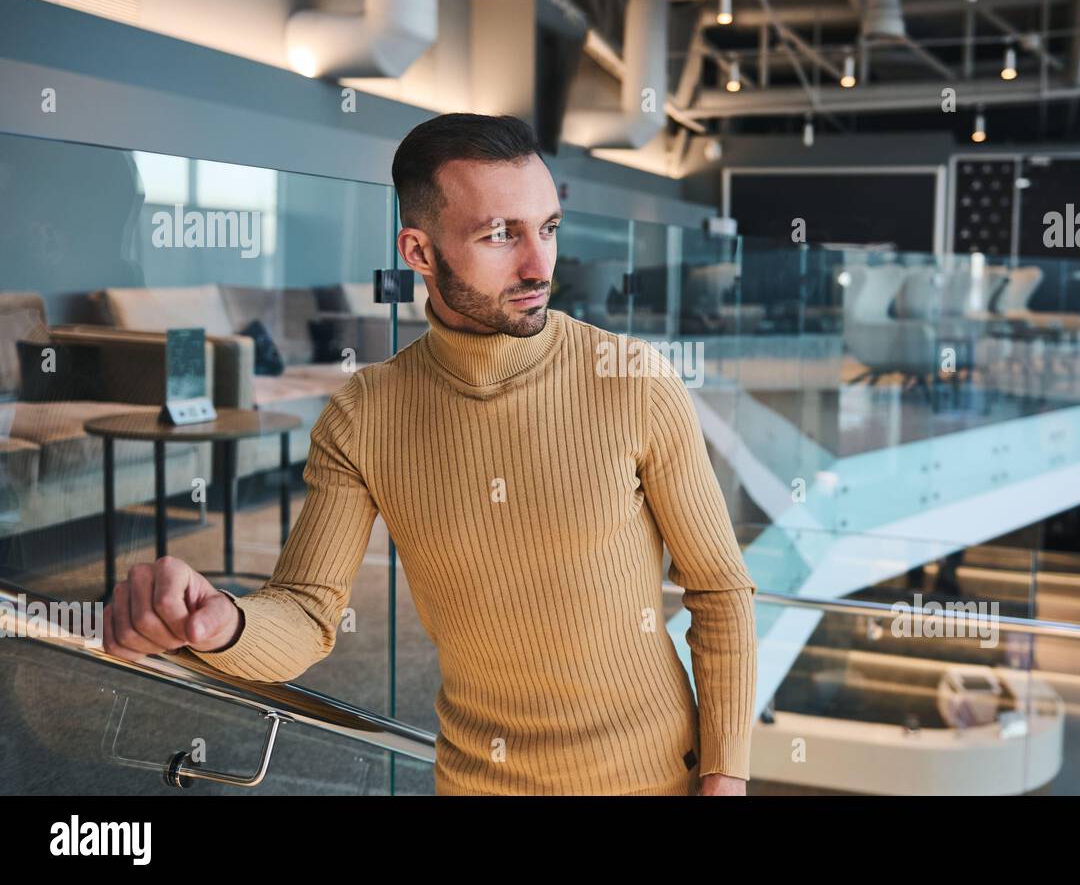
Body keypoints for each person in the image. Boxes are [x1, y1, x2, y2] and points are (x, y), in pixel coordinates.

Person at [100, 113, 758, 796]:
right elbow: (304, 612)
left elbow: (720, 590)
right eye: (500, 234)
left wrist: (726, 774)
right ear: (418, 251)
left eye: (548, 228)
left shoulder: (634, 379)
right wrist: (223, 620)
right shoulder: (367, 412)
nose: (539, 265)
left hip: (657, 781)